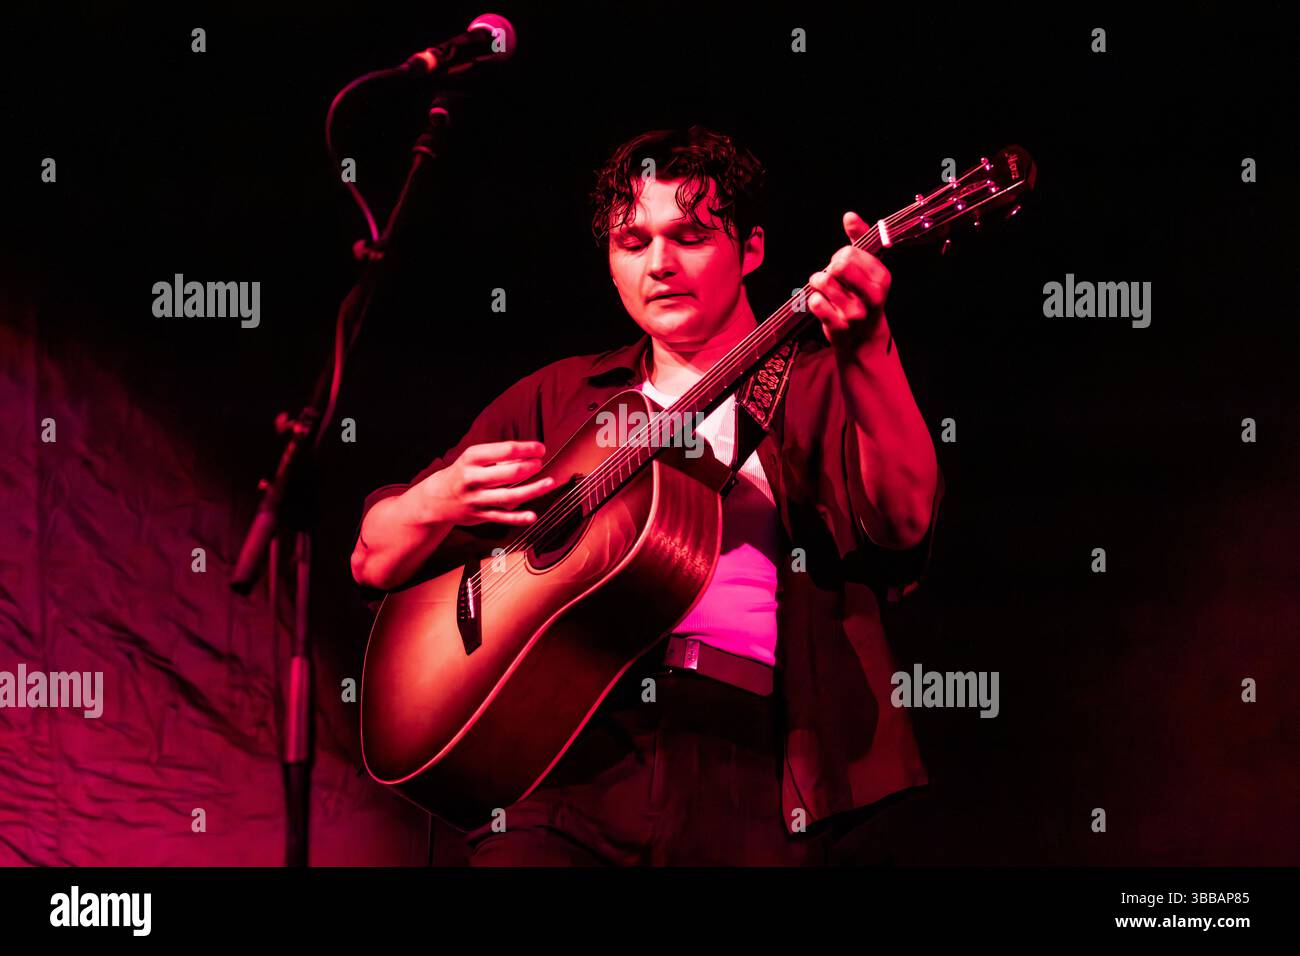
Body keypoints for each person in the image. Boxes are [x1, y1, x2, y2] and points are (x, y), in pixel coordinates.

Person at [351, 125, 943, 865]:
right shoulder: (561, 396)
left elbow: (904, 521)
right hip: (560, 757)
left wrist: (867, 348)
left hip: (743, 761)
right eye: (634, 243)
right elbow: (373, 559)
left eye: (690, 237)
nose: (660, 264)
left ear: (751, 249)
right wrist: (433, 500)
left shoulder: (817, 383)